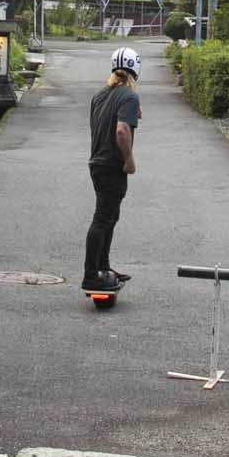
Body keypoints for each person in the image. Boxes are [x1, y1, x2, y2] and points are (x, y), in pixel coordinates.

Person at [84, 46, 142, 292]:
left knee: (109, 216)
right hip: (112, 165)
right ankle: (90, 275)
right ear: (135, 70)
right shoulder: (129, 96)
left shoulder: (99, 95)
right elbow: (121, 130)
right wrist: (128, 160)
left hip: (96, 162)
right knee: (103, 218)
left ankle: (103, 267)